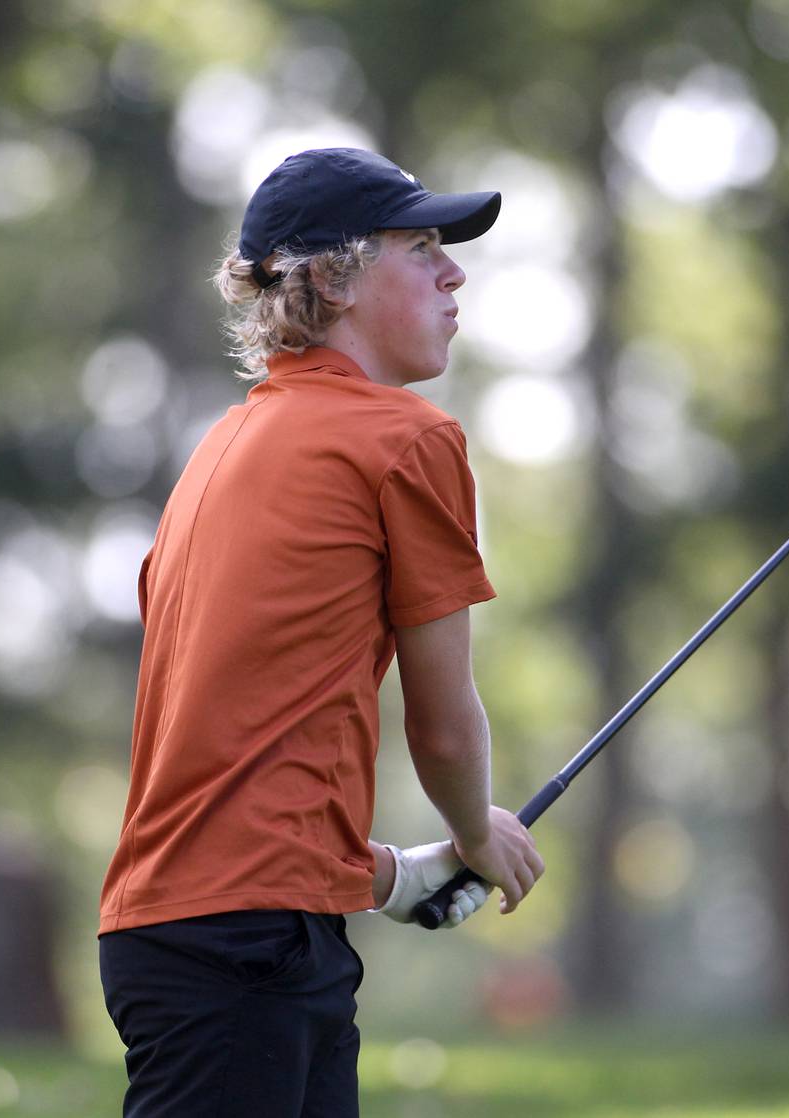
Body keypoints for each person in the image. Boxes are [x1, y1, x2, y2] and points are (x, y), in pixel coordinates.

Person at [97, 147, 545, 1117]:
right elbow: (442, 726)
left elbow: (239, 751)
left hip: (185, 931)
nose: (454, 273)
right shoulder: (407, 440)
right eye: (422, 249)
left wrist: (398, 875)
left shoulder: (220, 450)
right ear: (334, 280)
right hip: (250, 946)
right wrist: (476, 831)